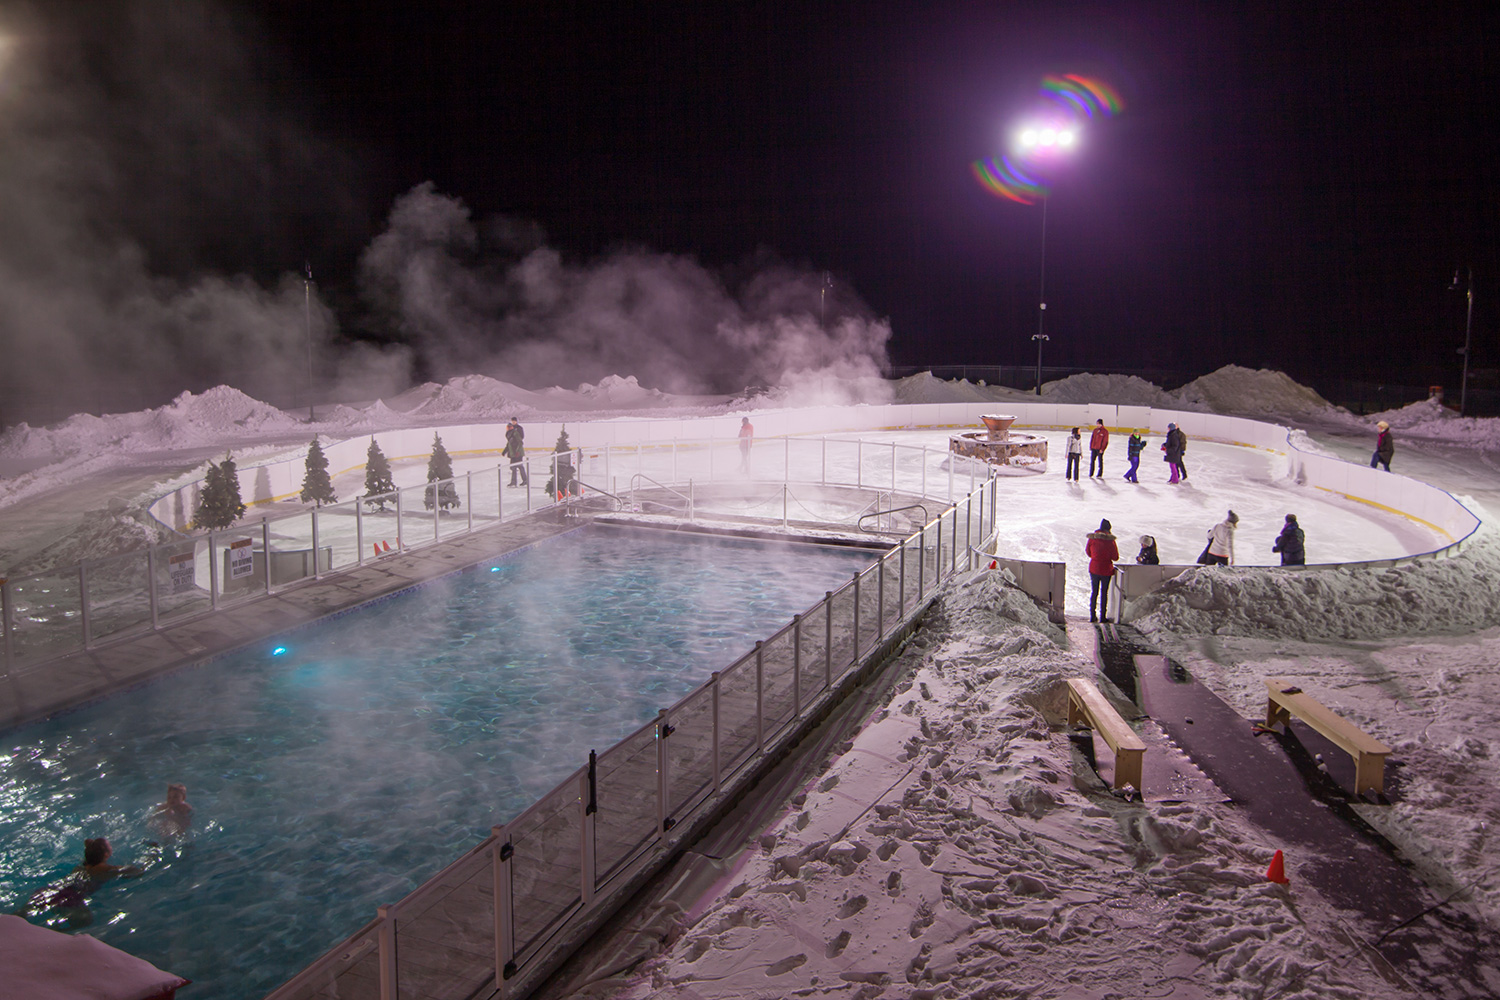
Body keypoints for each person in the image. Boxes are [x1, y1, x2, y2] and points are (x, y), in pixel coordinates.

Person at [1084, 518, 1119, 622]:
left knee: (1094, 592)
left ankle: (1092, 615)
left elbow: (1088, 551)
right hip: (1106, 570)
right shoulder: (1110, 541)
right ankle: (1102, 617)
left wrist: (1096, 557)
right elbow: (1115, 557)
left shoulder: (1092, 538)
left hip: (1094, 568)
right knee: (1104, 592)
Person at [504, 417, 528, 487]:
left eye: (514, 421)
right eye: (512, 421)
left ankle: (524, 480)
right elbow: (509, 442)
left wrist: (517, 449)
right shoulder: (510, 429)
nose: (513, 422)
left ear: (516, 421)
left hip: (517, 452)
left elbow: (520, 439)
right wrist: (505, 451)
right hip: (513, 452)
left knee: (519, 466)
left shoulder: (519, 428)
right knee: (514, 467)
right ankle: (515, 481)